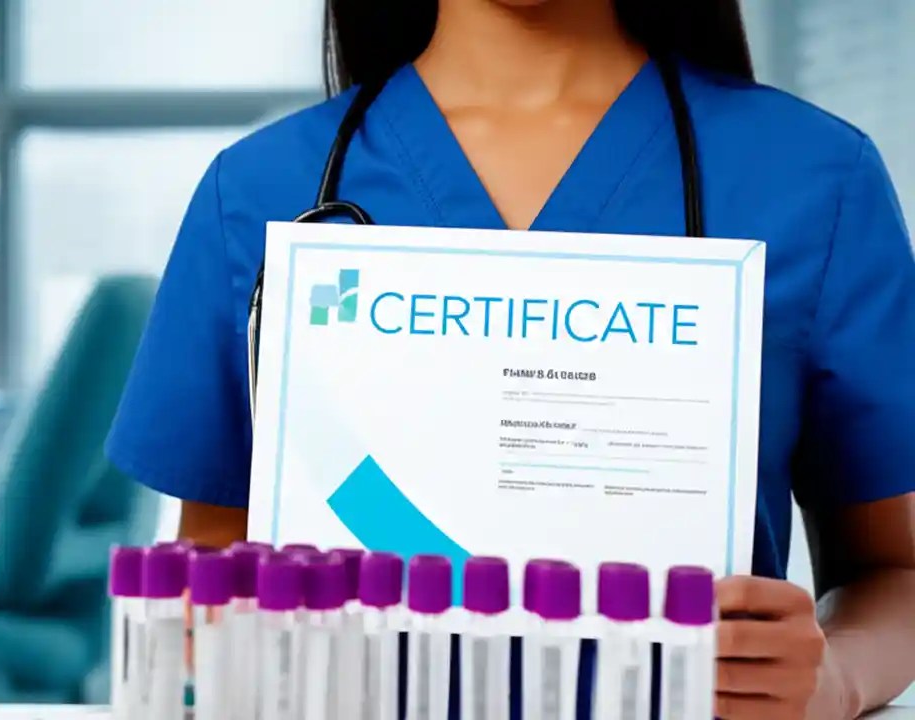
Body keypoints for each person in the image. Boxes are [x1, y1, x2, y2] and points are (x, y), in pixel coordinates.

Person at [106, 1, 915, 717]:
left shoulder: (814, 178)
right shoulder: (256, 190)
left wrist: (833, 681)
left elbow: (895, 571)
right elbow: (206, 573)